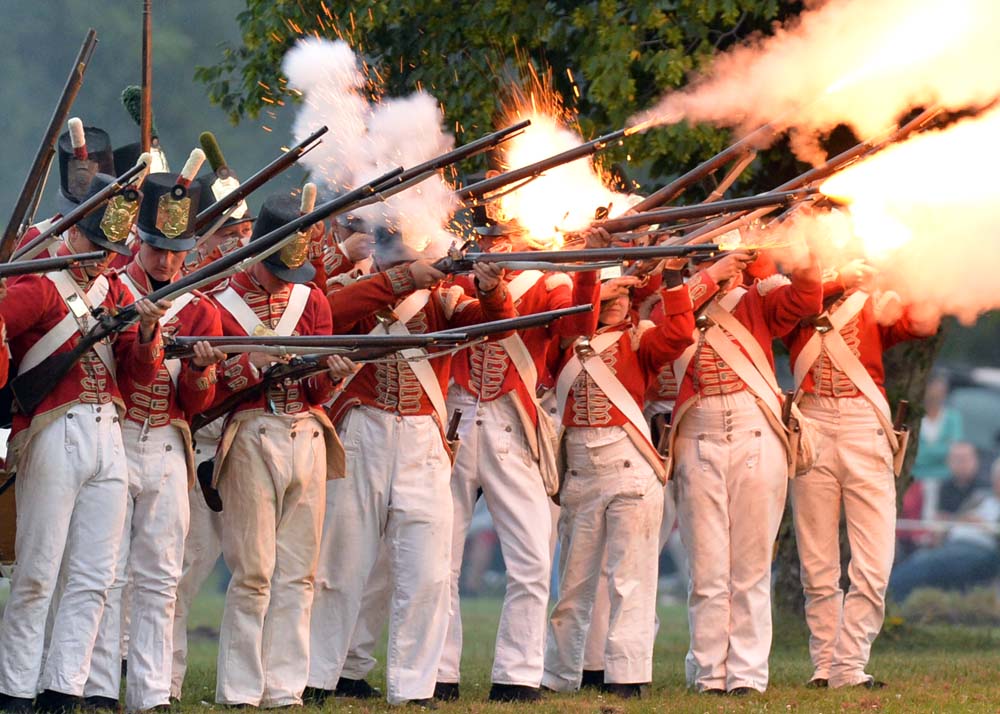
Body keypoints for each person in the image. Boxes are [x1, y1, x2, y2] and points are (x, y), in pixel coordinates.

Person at [306, 229, 512, 706]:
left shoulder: (445, 297)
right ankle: (318, 675)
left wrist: (490, 287)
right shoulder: (354, 288)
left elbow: (495, 326)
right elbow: (327, 317)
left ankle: (414, 686)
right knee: (341, 562)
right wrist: (400, 279)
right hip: (364, 429)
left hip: (424, 435)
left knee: (428, 569)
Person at [0, 175, 166, 714]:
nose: (104, 259)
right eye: (99, 246)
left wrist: (146, 336)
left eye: (112, 250)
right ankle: (16, 687)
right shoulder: (40, 283)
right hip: (53, 430)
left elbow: (139, 378)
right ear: (75, 233)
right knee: (38, 571)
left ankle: (64, 686)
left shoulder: (115, 290)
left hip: (109, 434)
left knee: (96, 575)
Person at [434, 219, 600, 703]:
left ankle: (517, 675)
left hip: (513, 424)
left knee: (530, 560)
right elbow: (466, 322)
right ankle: (440, 673)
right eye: (485, 232)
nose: (492, 239)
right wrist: (488, 287)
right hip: (456, 419)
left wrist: (588, 265)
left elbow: (575, 331)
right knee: (440, 560)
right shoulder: (456, 277)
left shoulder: (551, 280)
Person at [82, 172, 225, 712]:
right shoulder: (113, 291)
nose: (166, 262)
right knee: (108, 570)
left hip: (168, 443)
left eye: (176, 251)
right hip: (117, 437)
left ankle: (152, 692)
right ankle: (98, 688)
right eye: (157, 248)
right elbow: (126, 377)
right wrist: (145, 337)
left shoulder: (202, 307)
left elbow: (194, 403)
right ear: (139, 240)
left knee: (161, 577)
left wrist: (204, 373)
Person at [209, 193, 354, 708]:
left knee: (299, 573)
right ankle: (242, 689)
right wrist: (248, 364)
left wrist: (331, 376)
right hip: (251, 433)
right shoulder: (220, 301)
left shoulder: (311, 300)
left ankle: (285, 687)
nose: (284, 281)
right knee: (253, 571)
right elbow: (212, 394)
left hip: (306, 435)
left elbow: (314, 391)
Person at [672, 246, 822, 695]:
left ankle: (747, 676)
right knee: (707, 567)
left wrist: (802, 250)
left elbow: (806, 300)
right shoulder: (680, 298)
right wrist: (707, 277)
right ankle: (709, 672)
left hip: (755, 427)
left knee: (751, 565)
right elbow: (670, 328)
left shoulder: (758, 297)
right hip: (696, 429)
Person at [784, 258, 939, 689]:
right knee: (817, 564)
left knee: (873, 563)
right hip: (811, 422)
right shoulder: (797, 293)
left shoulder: (874, 300)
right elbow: (781, 312)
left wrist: (920, 271)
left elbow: (922, 324)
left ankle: (849, 665)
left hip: (862, 421)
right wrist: (837, 280)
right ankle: (826, 664)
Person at [541, 263, 695, 698]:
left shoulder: (639, 337)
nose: (616, 303)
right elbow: (570, 326)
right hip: (581, 471)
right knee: (573, 583)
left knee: (630, 577)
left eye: (623, 296)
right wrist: (592, 284)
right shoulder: (568, 339)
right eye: (608, 296)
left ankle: (627, 675)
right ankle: (562, 673)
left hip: (629, 462)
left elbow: (680, 335)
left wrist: (677, 280)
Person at [890, 454, 1000, 602]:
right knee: (918, 560)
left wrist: (982, 524)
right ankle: (891, 598)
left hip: (980, 549)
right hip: (951, 543)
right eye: (996, 478)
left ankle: (891, 597)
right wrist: (952, 521)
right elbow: (959, 517)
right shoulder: (981, 497)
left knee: (928, 566)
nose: (997, 482)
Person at [911, 374, 965, 520]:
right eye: (934, 392)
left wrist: (923, 453)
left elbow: (954, 451)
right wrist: (941, 450)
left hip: (944, 481)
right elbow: (912, 454)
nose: (938, 396)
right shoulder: (914, 417)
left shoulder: (953, 417)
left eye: (941, 392)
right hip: (914, 480)